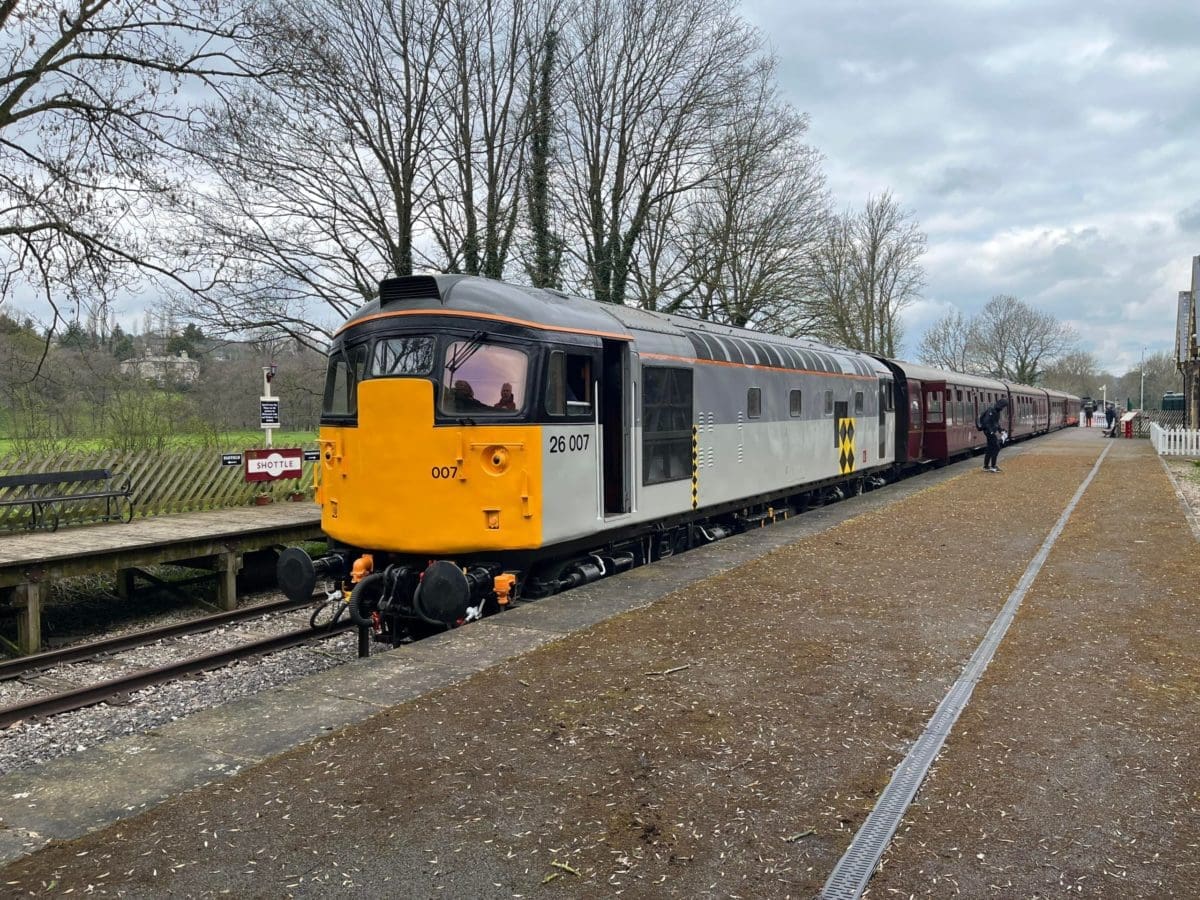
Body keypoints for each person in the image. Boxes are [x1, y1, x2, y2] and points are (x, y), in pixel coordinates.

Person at [978, 396, 1009, 473]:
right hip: (989, 432)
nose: (1004, 408)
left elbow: (996, 423)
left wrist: (1001, 430)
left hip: (990, 432)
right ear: (1001, 405)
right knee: (996, 447)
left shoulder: (996, 411)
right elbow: (986, 422)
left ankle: (986, 466)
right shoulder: (991, 411)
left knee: (990, 448)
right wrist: (991, 431)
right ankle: (993, 466)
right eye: (1004, 406)